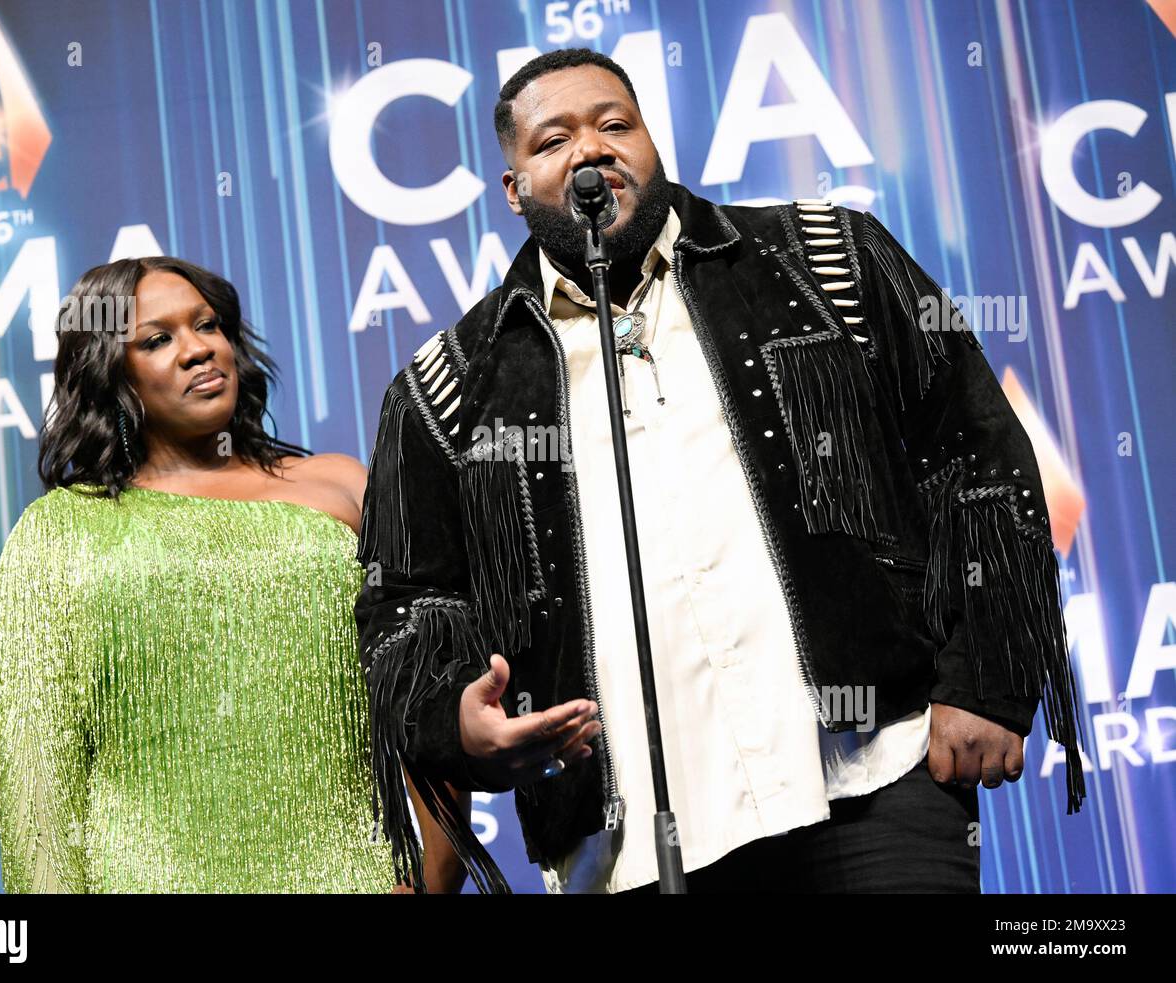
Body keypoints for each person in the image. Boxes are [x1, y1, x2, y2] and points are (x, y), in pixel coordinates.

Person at [353, 48, 1086, 895]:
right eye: (554, 139)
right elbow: (406, 606)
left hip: (872, 782)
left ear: (653, 146)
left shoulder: (826, 259)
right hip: (628, 851)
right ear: (514, 190)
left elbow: (976, 457)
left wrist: (988, 681)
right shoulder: (447, 387)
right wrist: (457, 724)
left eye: (615, 124)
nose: (592, 148)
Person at [0, 255, 465, 893]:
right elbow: (36, 787)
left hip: (352, 878)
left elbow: (427, 696)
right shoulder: (58, 534)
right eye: (157, 340)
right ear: (111, 375)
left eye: (206, 326)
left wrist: (433, 880)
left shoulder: (342, 484)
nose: (196, 350)